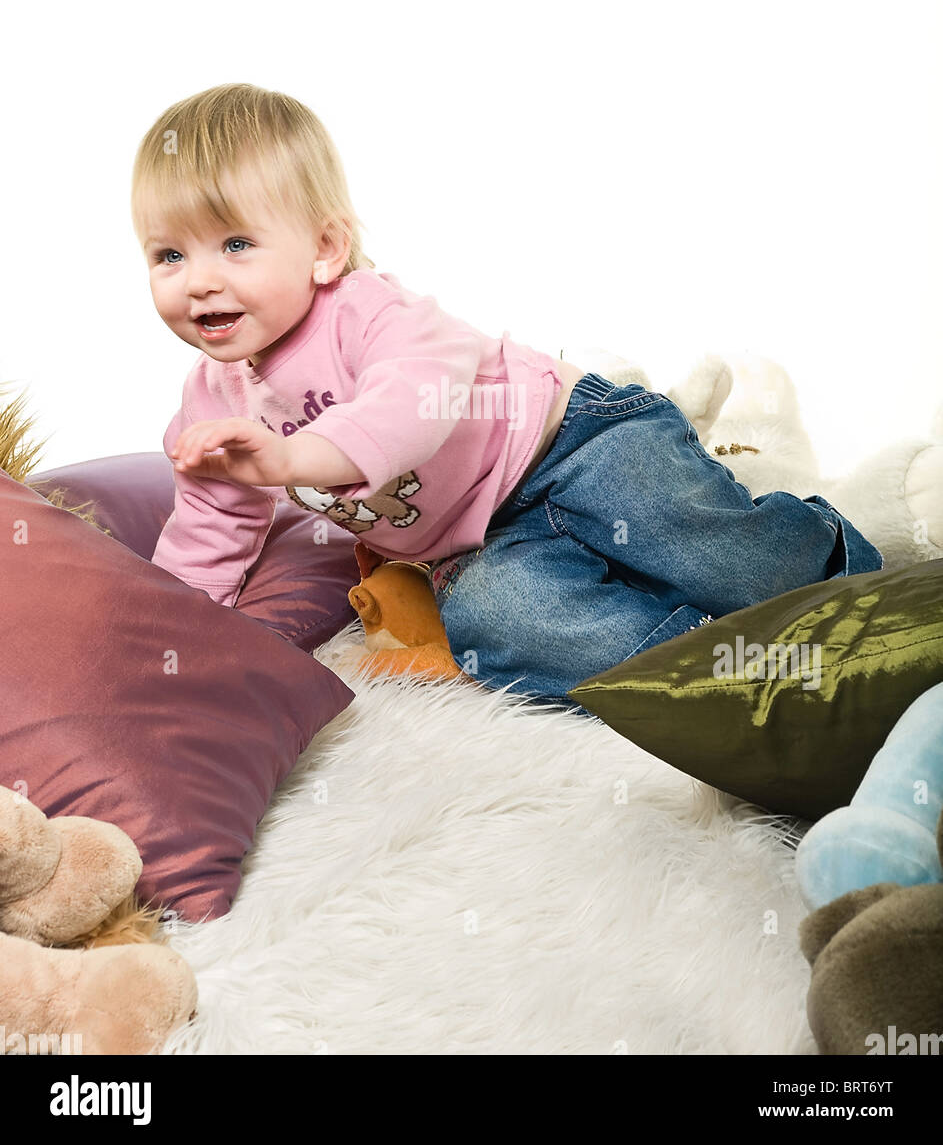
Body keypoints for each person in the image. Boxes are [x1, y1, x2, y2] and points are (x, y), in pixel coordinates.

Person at [135, 83, 883, 709]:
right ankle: (724, 676)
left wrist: (294, 455)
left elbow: (410, 406)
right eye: (169, 254)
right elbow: (208, 530)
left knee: (709, 551)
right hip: (482, 536)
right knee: (501, 620)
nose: (198, 280)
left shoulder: (372, 312)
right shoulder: (210, 406)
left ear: (325, 249)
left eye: (235, 245)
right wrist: (170, 637)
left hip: (575, 444)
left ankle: (835, 563)